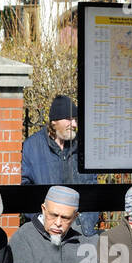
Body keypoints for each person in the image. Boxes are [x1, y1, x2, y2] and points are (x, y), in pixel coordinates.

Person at [21, 94, 98, 237]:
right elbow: (25, 190)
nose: (74, 124)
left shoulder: (83, 146)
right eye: (69, 119)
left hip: (80, 231)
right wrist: (42, 221)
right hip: (44, 231)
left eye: (75, 119)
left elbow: (93, 186)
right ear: (54, 122)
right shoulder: (32, 147)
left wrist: (87, 222)